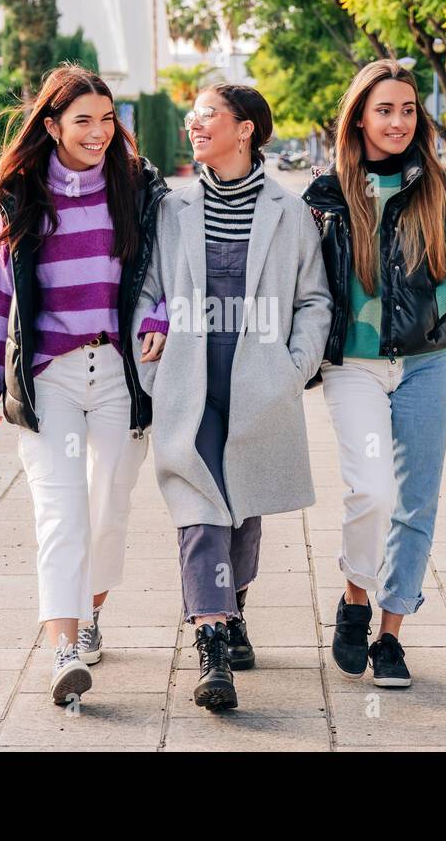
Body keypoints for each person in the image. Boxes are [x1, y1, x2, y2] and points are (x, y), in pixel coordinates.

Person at [0, 64, 169, 706]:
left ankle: (91, 607)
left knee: (109, 509)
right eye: (83, 121)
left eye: (108, 119)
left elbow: (159, 268)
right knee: (61, 513)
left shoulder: (135, 189)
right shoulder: (23, 196)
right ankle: (64, 649)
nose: (100, 132)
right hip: (51, 375)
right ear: (51, 126)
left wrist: (158, 316)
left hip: (119, 373)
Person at [134, 84, 332, 711]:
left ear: (245, 129)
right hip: (189, 381)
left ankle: (234, 604)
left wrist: (293, 368)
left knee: (245, 507)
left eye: (208, 114)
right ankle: (212, 641)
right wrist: (152, 340)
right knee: (200, 506)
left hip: (258, 382)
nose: (194, 123)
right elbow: (149, 290)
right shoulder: (173, 209)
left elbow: (314, 299)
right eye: (193, 116)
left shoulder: (289, 211)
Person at [303, 59, 446, 687]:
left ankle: (391, 634)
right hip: (354, 366)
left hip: (427, 364)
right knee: (371, 490)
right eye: (384, 109)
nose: (397, 121)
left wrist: (437, 305)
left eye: (408, 109)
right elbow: (297, 278)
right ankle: (355, 597)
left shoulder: (444, 185)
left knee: (416, 501)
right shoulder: (326, 193)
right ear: (359, 115)